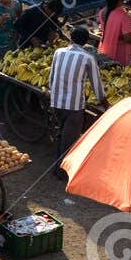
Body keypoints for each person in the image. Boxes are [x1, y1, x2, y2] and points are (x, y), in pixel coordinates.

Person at [48, 27, 105, 164]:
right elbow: (96, 85)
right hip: (74, 107)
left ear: (70, 38)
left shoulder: (58, 52)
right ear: (86, 41)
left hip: (56, 102)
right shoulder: (88, 58)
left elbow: (51, 78)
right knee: (70, 139)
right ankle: (61, 169)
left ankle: (57, 165)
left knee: (61, 133)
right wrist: (105, 103)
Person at [95, 0, 131, 65]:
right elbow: (128, 39)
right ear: (119, 1)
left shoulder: (102, 12)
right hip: (120, 52)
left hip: (106, 46)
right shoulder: (123, 16)